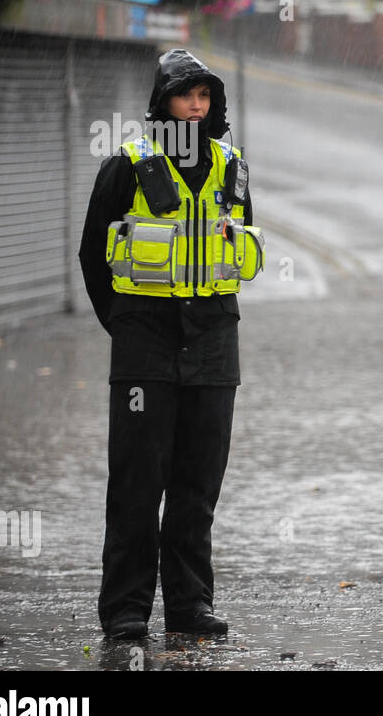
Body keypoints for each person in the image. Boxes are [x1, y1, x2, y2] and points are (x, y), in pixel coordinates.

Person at [78, 49, 262, 640]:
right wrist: (127, 326)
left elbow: (238, 249)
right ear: (163, 103)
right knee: (136, 482)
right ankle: (126, 611)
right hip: (146, 347)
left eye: (205, 96)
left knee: (197, 485)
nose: (197, 106)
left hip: (213, 346)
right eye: (186, 95)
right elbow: (92, 256)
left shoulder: (232, 166)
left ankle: (190, 606)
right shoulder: (128, 166)